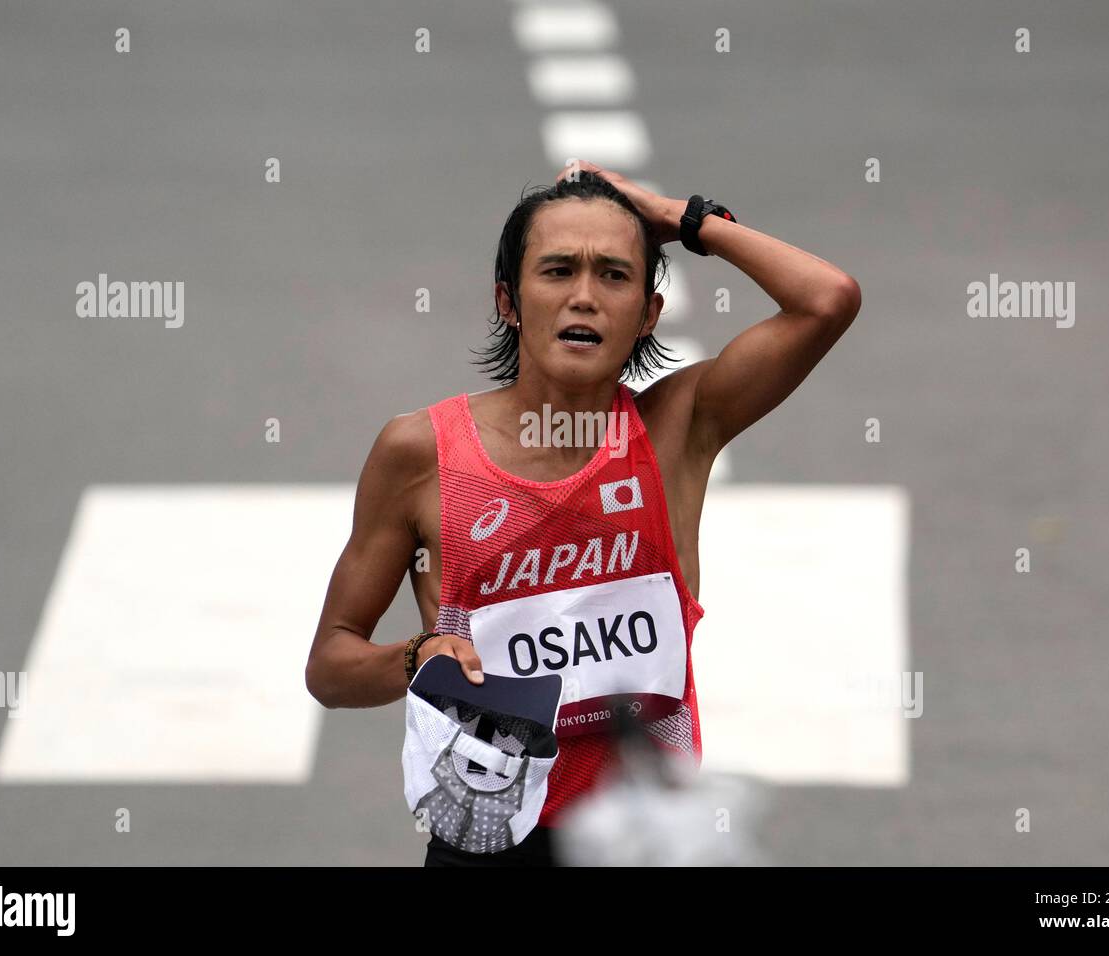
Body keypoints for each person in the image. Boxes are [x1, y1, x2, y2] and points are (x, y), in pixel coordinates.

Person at [304, 160, 861, 866]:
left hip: (642, 839)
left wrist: (677, 217)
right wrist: (418, 657)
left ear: (648, 315)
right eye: (558, 271)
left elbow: (828, 299)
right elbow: (331, 665)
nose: (585, 298)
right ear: (508, 301)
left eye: (615, 276)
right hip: (489, 837)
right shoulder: (422, 454)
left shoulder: (677, 429)